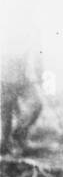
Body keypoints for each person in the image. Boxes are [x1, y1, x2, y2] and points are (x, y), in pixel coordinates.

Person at [1, 9, 45, 155]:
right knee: (5, 119)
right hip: (4, 78)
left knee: (36, 104)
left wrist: (37, 75)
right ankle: (8, 149)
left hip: (24, 78)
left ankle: (19, 136)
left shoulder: (31, 31)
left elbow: (37, 55)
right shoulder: (6, 29)